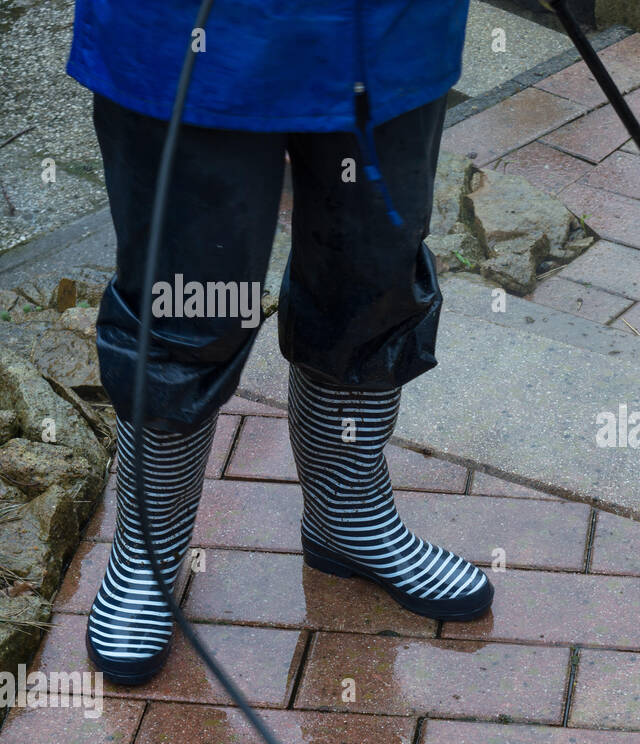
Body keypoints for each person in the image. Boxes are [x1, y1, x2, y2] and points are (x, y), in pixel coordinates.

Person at [65, 0, 493, 686]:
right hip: (186, 32)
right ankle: (149, 548)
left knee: (372, 278)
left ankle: (347, 517)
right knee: (184, 296)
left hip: (389, 25)